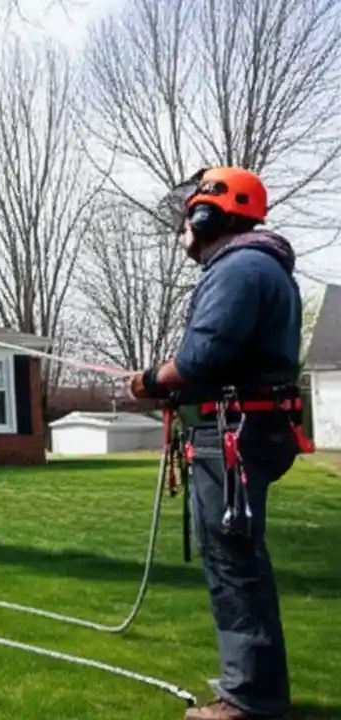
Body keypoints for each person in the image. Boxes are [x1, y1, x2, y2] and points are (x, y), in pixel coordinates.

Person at [129, 166, 311, 720]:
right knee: (239, 557)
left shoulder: (239, 269)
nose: (184, 225)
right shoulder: (260, 267)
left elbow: (202, 358)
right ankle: (255, 688)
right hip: (248, 430)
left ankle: (249, 700)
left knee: (234, 561)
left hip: (234, 437)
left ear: (209, 214)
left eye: (189, 213)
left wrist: (152, 381)